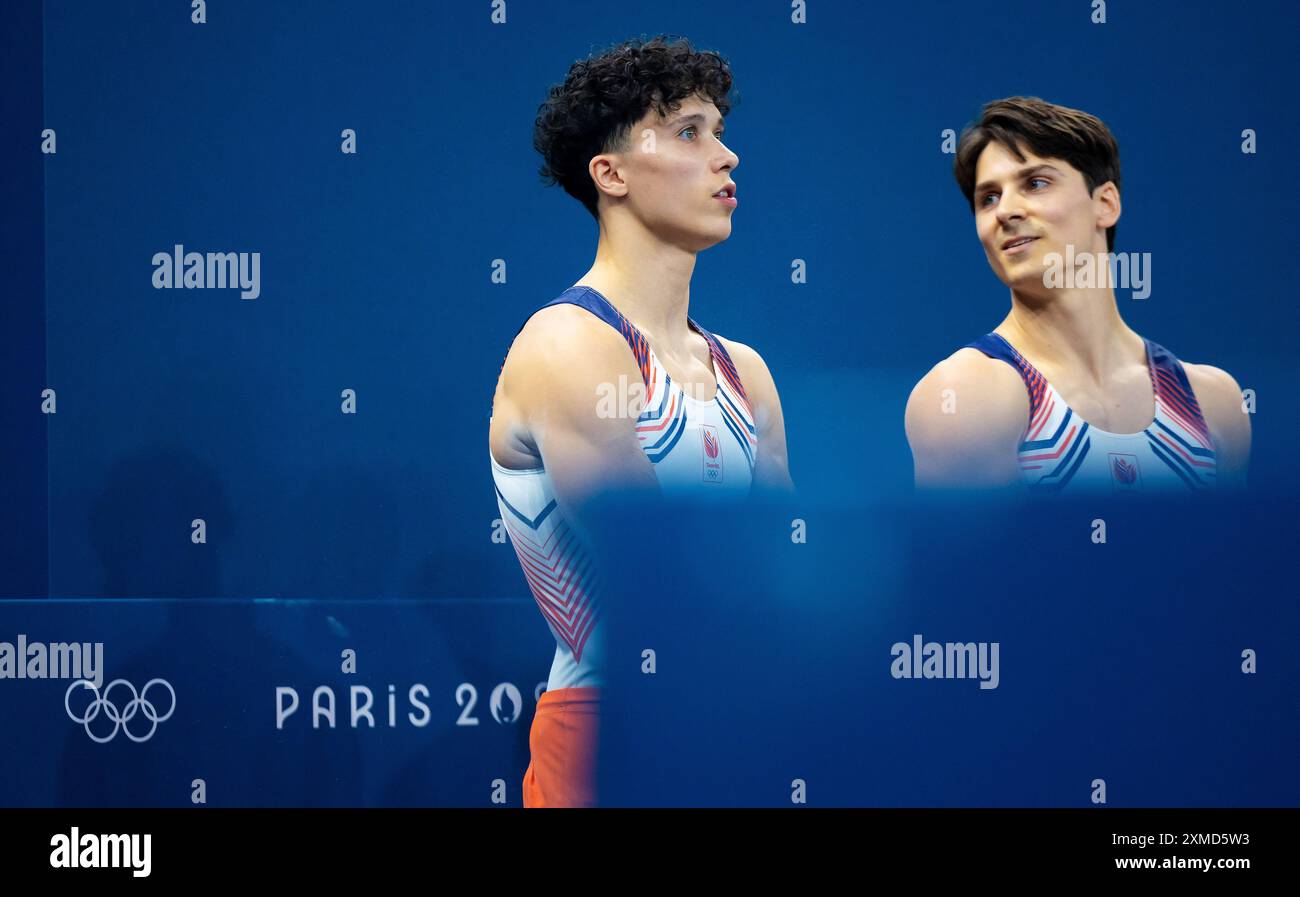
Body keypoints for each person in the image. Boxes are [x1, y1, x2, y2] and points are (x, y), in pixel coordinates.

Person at [488, 35, 795, 807]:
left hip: (743, 725)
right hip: (608, 735)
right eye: (690, 132)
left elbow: (787, 575)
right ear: (611, 173)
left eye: (721, 132)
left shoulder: (745, 373)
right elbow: (665, 581)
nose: (727, 156)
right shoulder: (566, 344)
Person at [906, 96, 1250, 493]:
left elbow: (1234, 555)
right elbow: (975, 557)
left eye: (1035, 183)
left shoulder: (1215, 403)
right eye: (989, 198)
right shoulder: (967, 393)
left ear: (1105, 204)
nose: (1005, 212)